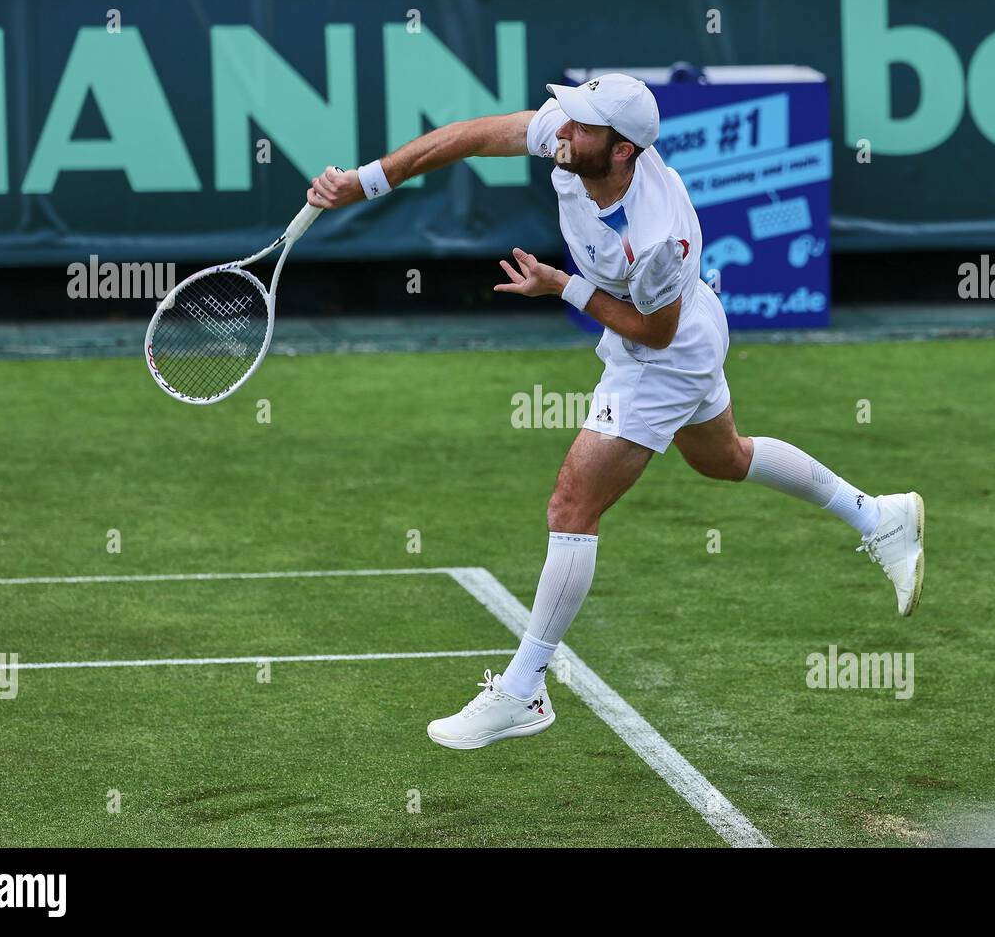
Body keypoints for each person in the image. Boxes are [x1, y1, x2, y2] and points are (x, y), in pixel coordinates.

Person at [307, 73, 925, 751]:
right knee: (725, 458)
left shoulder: (656, 233)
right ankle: (880, 516)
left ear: (623, 149)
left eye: (581, 125)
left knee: (572, 506)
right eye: (565, 119)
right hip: (681, 327)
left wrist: (562, 286)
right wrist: (366, 182)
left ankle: (523, 690)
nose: (560, 130)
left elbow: (653, 334)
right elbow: (473, 136)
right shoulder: (576, 140)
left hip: (667, 351)